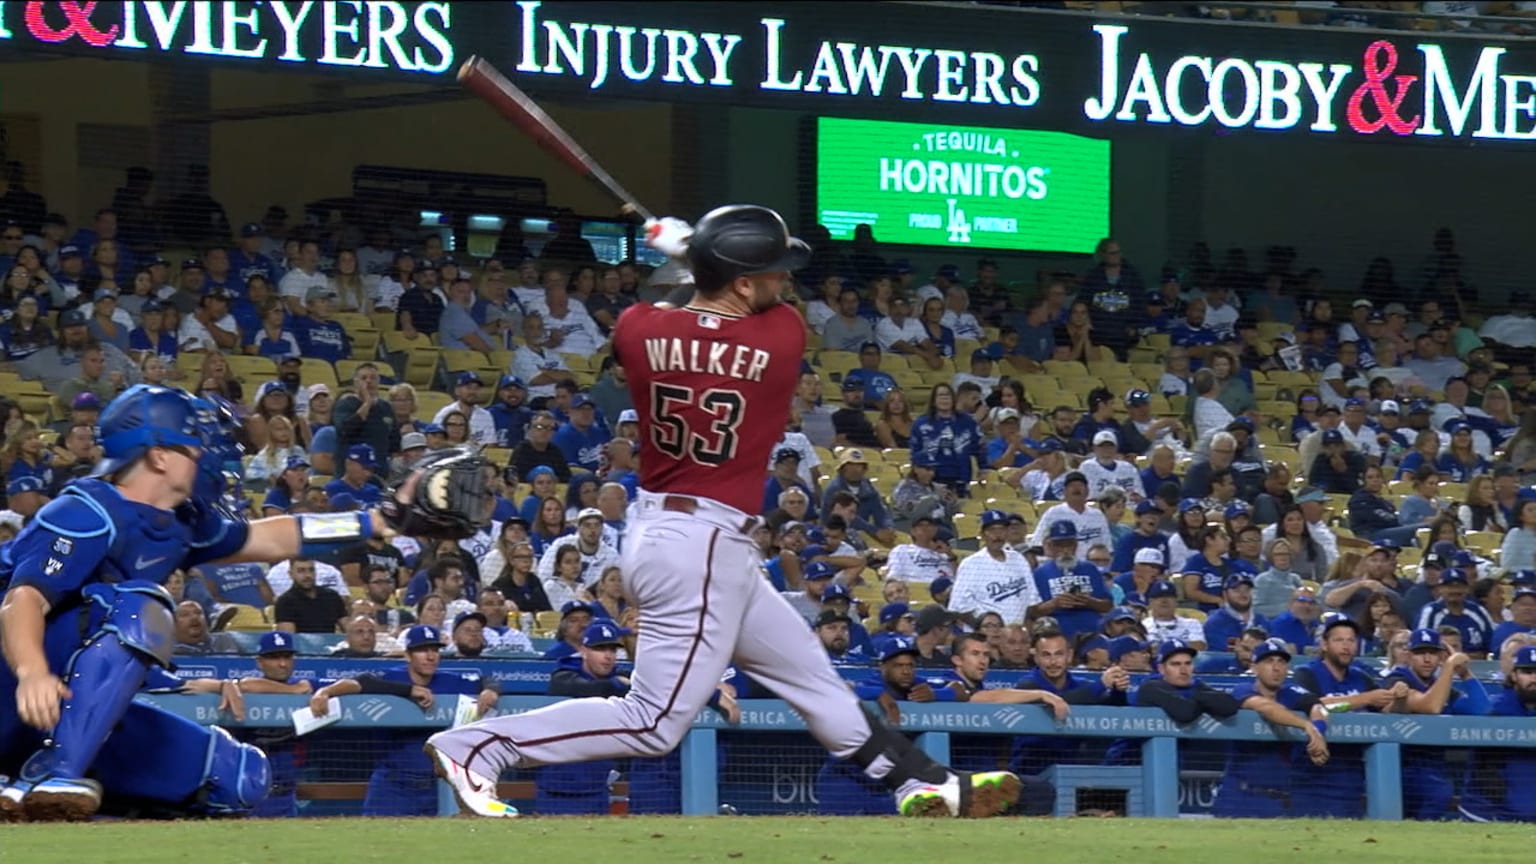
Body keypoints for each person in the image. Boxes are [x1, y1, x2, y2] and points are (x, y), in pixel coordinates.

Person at [425, 204, 1021, 819]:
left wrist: (688, 257)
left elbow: (671, 309)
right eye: (771, 272)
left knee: (813, 680)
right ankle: (480, 746)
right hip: (700, 546)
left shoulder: (638, 328)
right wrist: (687, 248)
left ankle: (919, 782)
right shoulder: (781, 333)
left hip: (675, 532)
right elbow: (717, 304)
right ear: (741, 281)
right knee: (652, 721)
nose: (783, 282)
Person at [0, 385, 424, 821]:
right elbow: (22, 600)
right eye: (193, 444)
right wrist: (32, 672)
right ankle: (54, 773)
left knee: (238, 776)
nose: (206, 454)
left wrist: (378, 520)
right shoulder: (85, 510)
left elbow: (276, 536)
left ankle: (39, 792)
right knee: (139, 606)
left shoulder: (183, 522)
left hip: (61, 704)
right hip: (14, 680)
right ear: (159, 455)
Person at [1212, 638, 1330, 819]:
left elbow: (1318, 707)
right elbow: (1268, 708)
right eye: (1268, 661)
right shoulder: (1242, 689)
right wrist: (1307, 726)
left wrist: (1318, 732)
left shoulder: (1291, 692)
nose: (1276, 668)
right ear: (1255, 667)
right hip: (1241, 796)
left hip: (1280, 799)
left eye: (1281, 662)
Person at [1458, 645, 1536, 822]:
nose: (1534, 678)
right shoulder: (1495, 707)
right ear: (1514, 675)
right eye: (1527, 671)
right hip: (1487, 812)